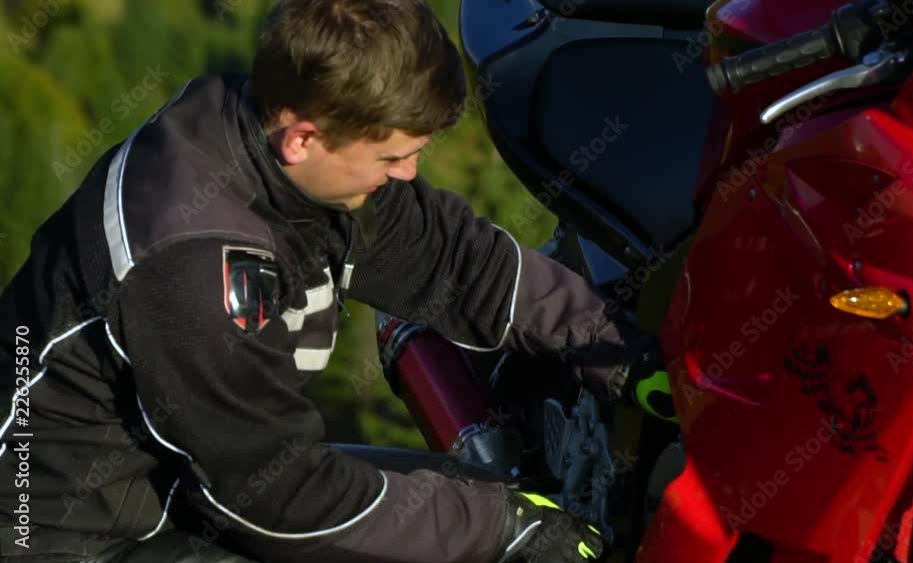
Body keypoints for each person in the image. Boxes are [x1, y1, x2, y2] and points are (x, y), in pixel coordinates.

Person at [0, 0, 666, 561]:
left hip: (185, 480)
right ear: (303, 138)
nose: (406, 173)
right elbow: (278, 495)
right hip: (71, 534)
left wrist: (623, 352)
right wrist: (506, 528)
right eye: (394, 156)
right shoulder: (190, 265)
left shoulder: (297, 147)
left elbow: (458, 260)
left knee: (478, 500)